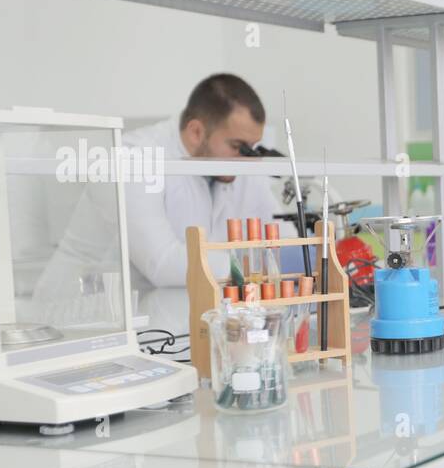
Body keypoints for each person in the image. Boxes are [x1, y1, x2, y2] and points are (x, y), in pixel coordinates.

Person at [32, 74, 282, 319]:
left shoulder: (233, 164)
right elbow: (162, 264)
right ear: (196, 131)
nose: (248, 158)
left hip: (168, 313)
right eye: (239, 147)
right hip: (84, 311)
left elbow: (278, 228)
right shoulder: (133, 158)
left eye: (253, 148)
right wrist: (260, 268)